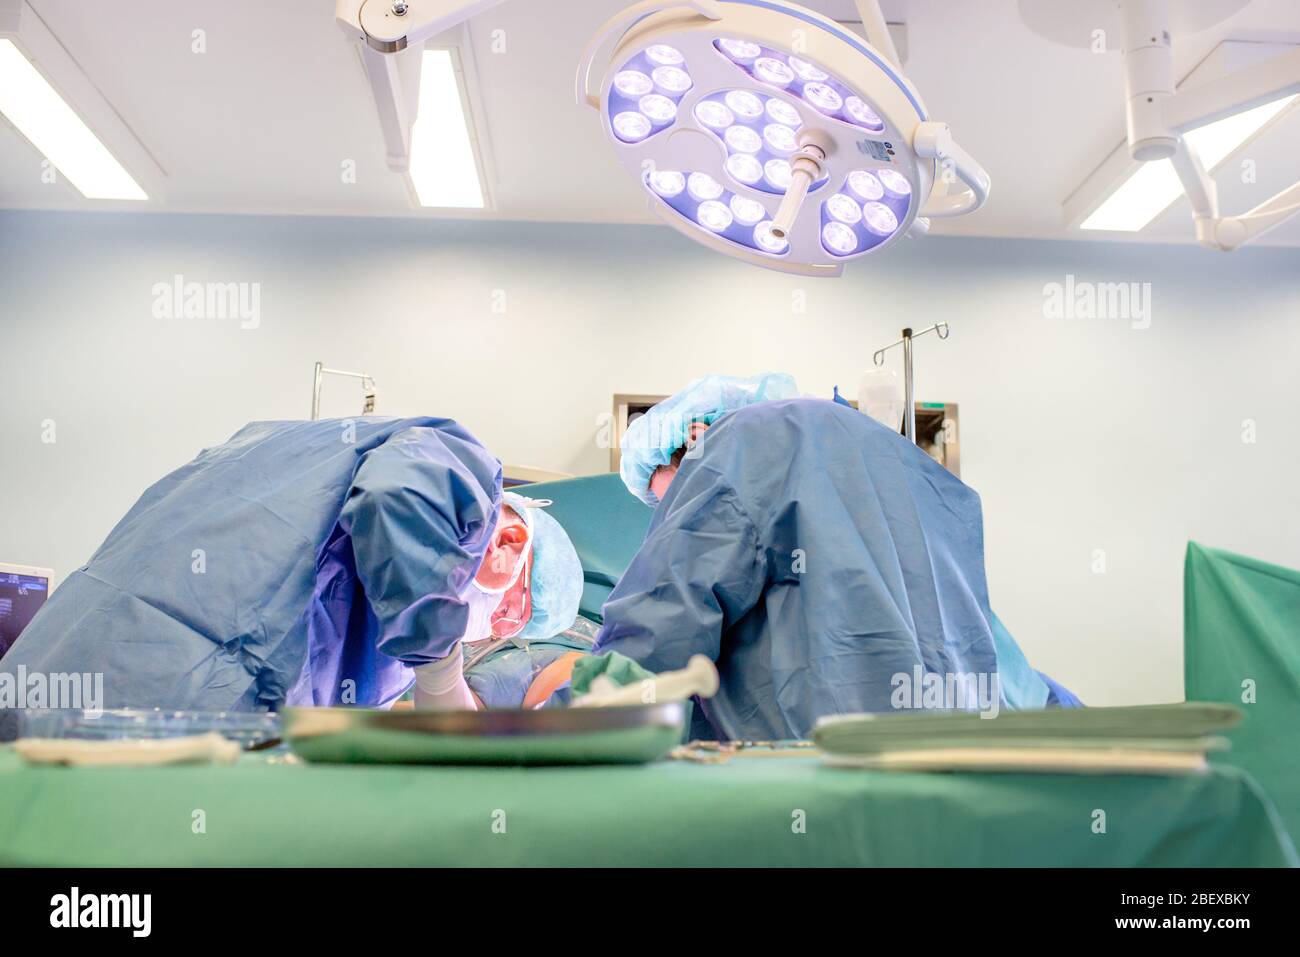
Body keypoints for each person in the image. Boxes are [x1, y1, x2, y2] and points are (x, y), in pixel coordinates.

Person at [0, 416, 582, 726]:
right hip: (156, 705)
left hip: (57, 672)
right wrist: (439, 672)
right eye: (508, 615)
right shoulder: (461, 468)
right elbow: (397, 498)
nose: (490, 629)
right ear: (508, 540)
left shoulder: (301, 465)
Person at [597, 373, 1079, 741]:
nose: (674, 513)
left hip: (824, 790)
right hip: (952, 778)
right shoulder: (905, 466)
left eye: (671, 498)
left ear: (698, 438)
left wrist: (573, 713)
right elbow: (991, 654)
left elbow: (659, 627)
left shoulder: (736, 449)